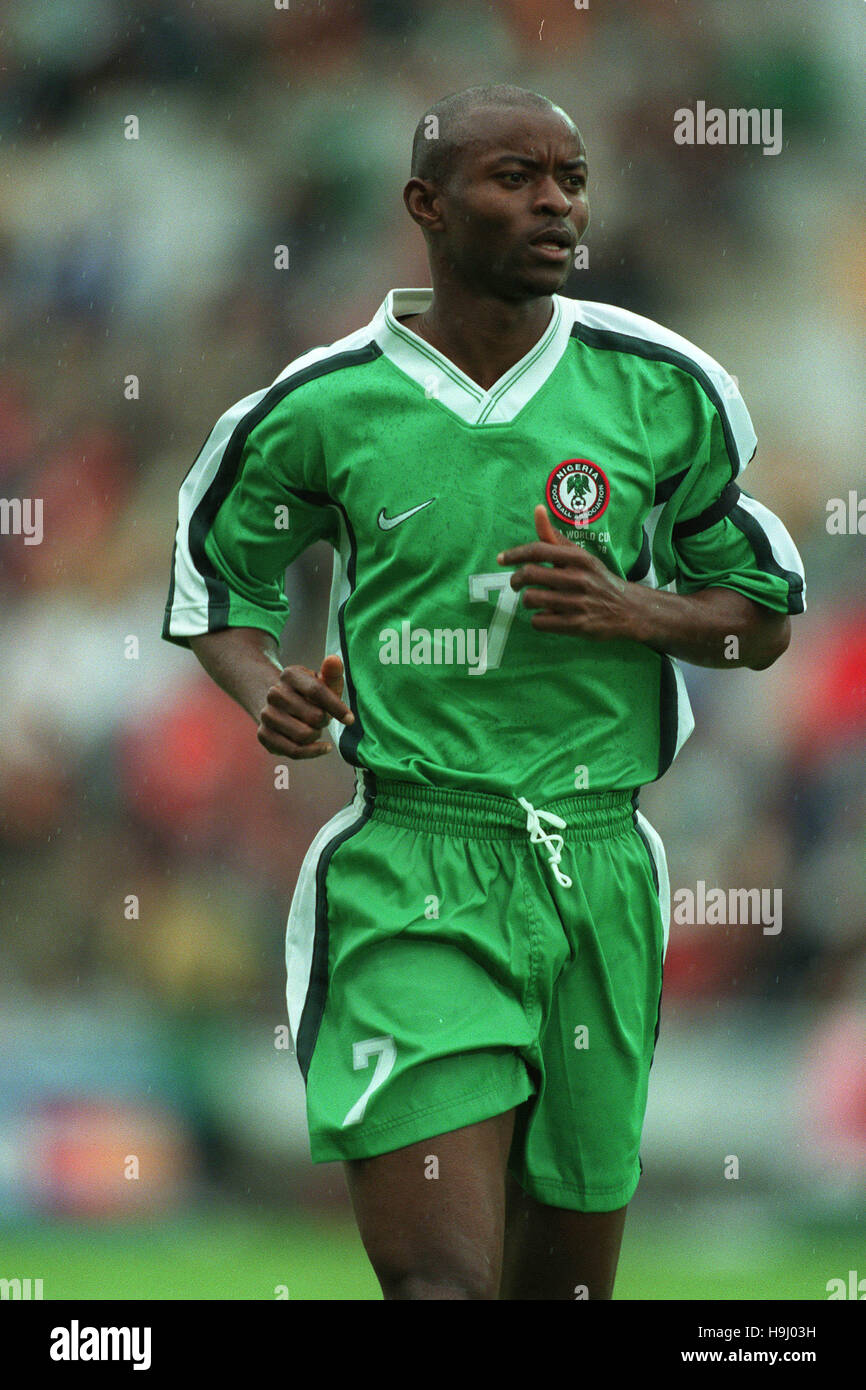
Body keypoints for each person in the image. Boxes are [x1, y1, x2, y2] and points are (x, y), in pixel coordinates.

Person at [162, 84, 805, 1300]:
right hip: (415, 865)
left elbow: (757, 626)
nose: (555, 202)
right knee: (440, 1287)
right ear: (426, 206)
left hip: (599, 869)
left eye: (568, 178)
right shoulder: (321, 403)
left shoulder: (660, 387)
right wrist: (265, 690)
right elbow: (216, 582)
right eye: (515, 177)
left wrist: (637, 611)